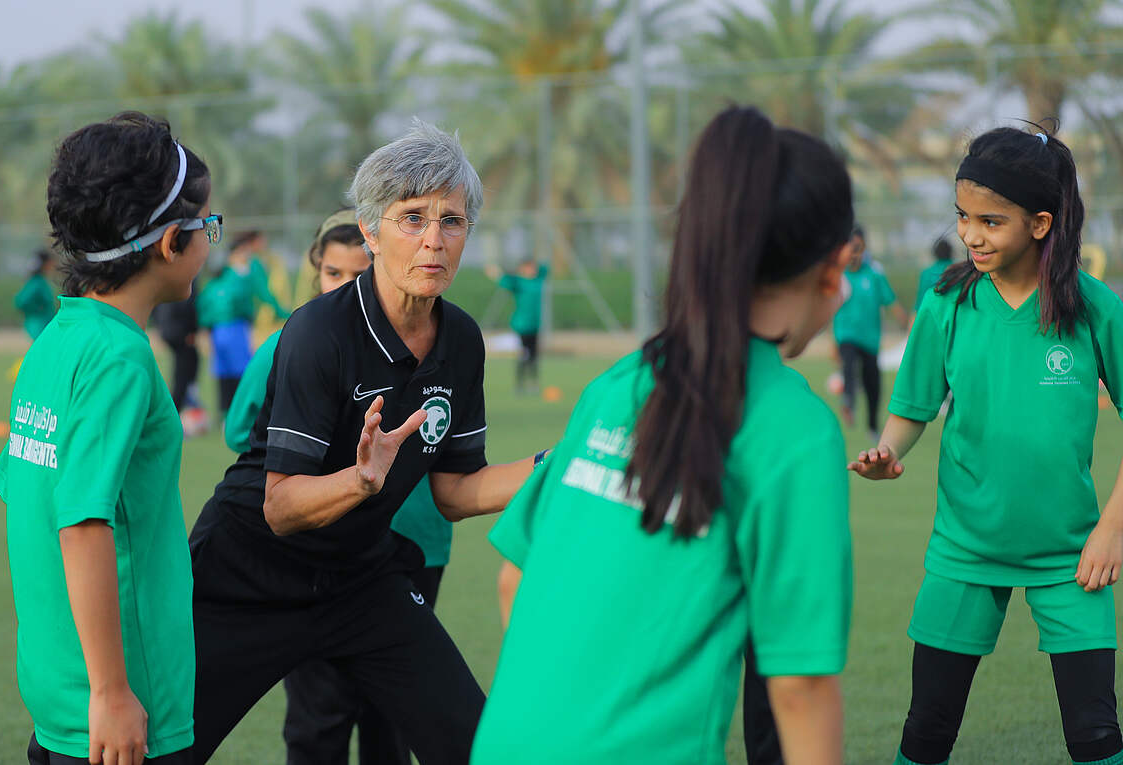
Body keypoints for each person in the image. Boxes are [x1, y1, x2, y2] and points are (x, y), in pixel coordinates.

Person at [470, 106, 855, 765]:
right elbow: (799, 683)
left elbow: (514, 579)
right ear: (835, 269)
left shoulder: (618, 384)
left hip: (505, 743)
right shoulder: (795, 428)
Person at [188, 120, 540, 764]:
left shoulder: (460, 340)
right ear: (371, 231)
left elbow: (457, 492)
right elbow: (281, 507)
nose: (434, 240)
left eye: (453, 220)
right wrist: (361, 479)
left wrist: (556, 466)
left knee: (473, 744)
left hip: (359, 576)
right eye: (412, 218)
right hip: (248, 573)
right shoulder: (319, 332)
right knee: (159, 746)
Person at [851, 126, 1123, 765]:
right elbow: (911, 411)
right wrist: (889, 452)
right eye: (963, 216)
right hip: (964, 551)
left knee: (1097, 736)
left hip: (1072, 558)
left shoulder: (1096, 309)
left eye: (990, 220)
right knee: (926, 732)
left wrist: (1111, 530)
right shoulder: (946, 304)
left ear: (1040, 223)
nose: (970, 234)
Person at [0, 112, 218, 765]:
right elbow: (81, 521)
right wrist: (113, 691)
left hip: (58, 689)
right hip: (122, 702)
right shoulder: (120, 358)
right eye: (207, 225)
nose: (211, 240)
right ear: (171, 240)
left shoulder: (58, 339)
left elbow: (28, 492)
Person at [222, 208, 456, 765]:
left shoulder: (438, 342)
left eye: (359, 274)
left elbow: (456, 469)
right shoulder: (300, 340)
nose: (348, 287)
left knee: (393, 717)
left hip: (416, 545)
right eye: (333, 274)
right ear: (314, 270)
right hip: (319, 549)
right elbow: (242, 431)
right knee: (318, 714)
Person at [198, 229, 291, 413]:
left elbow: (205, 301)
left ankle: (227, 413)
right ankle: (238, 412)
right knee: (239, 371)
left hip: (219, 330)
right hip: (234, 328)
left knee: (226, 372)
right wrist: (288, 315)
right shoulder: (246, 269)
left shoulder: (223, 272)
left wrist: (204, 326)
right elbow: (264, 294)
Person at [833, 226, 908, 440]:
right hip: (846, 334)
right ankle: (848, 399)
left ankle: (873, 426)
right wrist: (832, 341)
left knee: (872, 383)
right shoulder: (839, 274)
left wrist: (904, 320)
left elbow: (890, 300)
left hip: (870, 339)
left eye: (857, 247)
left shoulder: (874, 274)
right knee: (848, 363)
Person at [486, 257, 549, 393]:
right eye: (529, 267)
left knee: (534, 356)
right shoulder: (519, 282)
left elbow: (545, 267)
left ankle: (534, 383)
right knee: (523, 355)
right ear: (522, 269)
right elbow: (505, 281)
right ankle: (520, 384)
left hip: (535, 325)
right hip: (521, 325)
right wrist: (496, 273)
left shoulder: (538, 280)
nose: (532, 270)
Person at [154, 283, 208, 436]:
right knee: (182, 377)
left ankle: (189, 406)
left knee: (186, 371)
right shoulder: (186, 277)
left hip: (171, 331)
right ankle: (174, 418)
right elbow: (189, 305)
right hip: (180, 333)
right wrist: (191, 330)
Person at [15, 248, 59, 340]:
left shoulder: (41, 281)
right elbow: (21, 301)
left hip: (44, 323)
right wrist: (37, 310)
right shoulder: (36, 282)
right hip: (38, 324)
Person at [913, 237, 953, 315]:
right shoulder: (961, 270)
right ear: (950, 252)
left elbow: (920, 303)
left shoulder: (926, 274)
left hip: (934, 318)